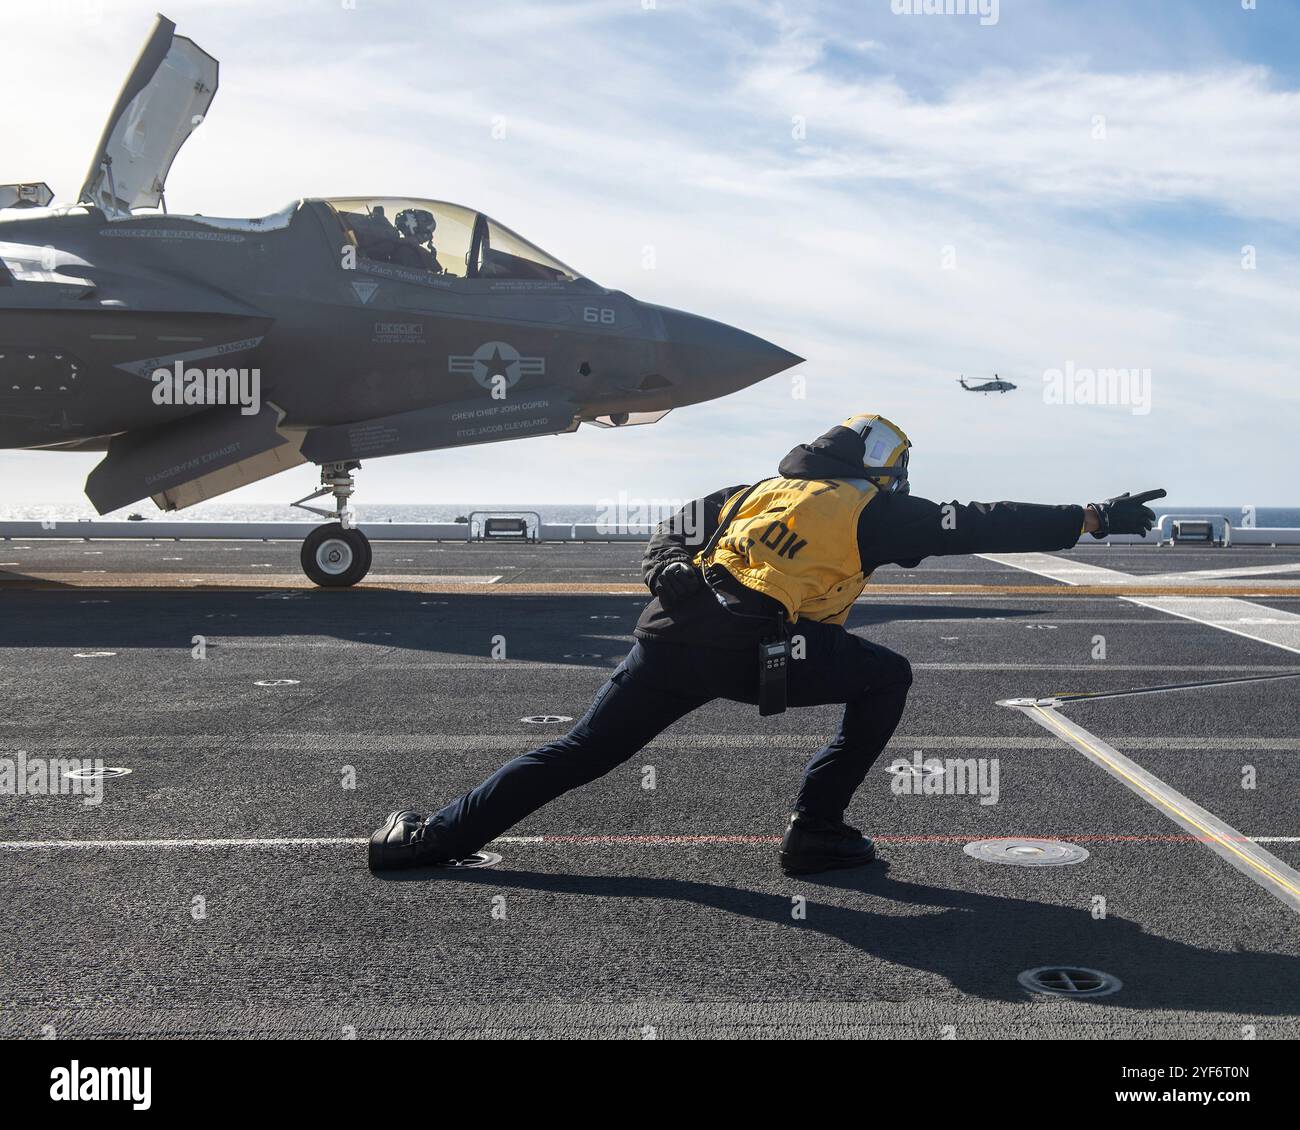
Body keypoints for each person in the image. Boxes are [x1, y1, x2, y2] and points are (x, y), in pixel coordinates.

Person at [369, 413, 1163, 875]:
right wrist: (1091, 516)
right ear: (884, 469)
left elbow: (672, 529)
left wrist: (665, 570)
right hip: (766, 652)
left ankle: (430, 841)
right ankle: (815, 829)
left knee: (579, 753)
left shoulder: (758, 488)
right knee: (886, 679)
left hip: (675, 637)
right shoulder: (872, 509)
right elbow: (985, 520)